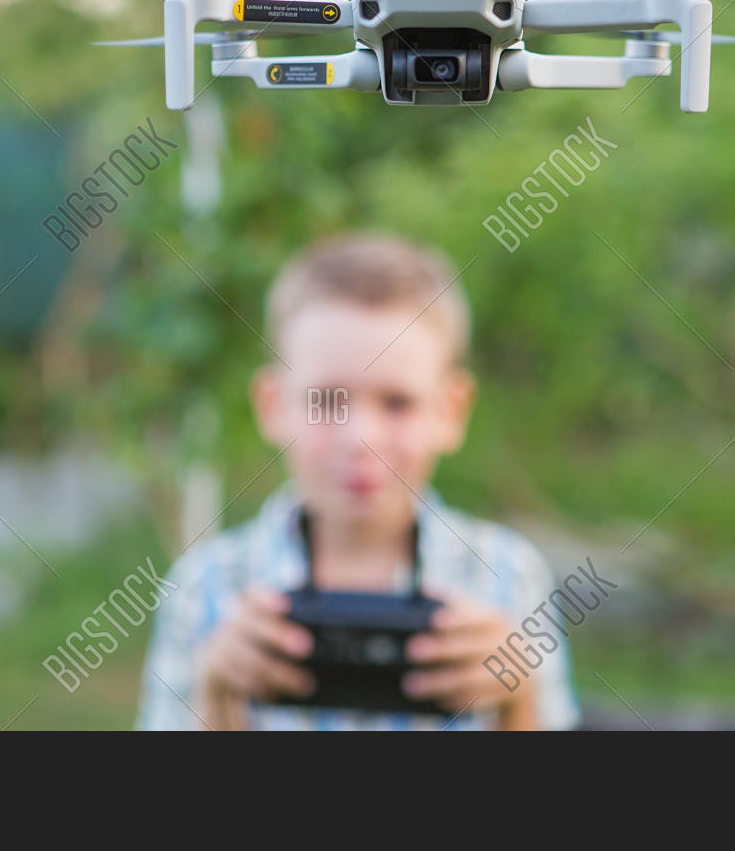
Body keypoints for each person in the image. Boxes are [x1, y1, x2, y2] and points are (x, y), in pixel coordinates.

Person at [136, 232, 579, 730]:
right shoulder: (205, 588)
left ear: (451, 411)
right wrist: (216, 691)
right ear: (273, 405)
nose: (361, 439)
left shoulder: (507, 577)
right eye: (327, 401)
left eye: (397, 403)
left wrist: (516, 698)